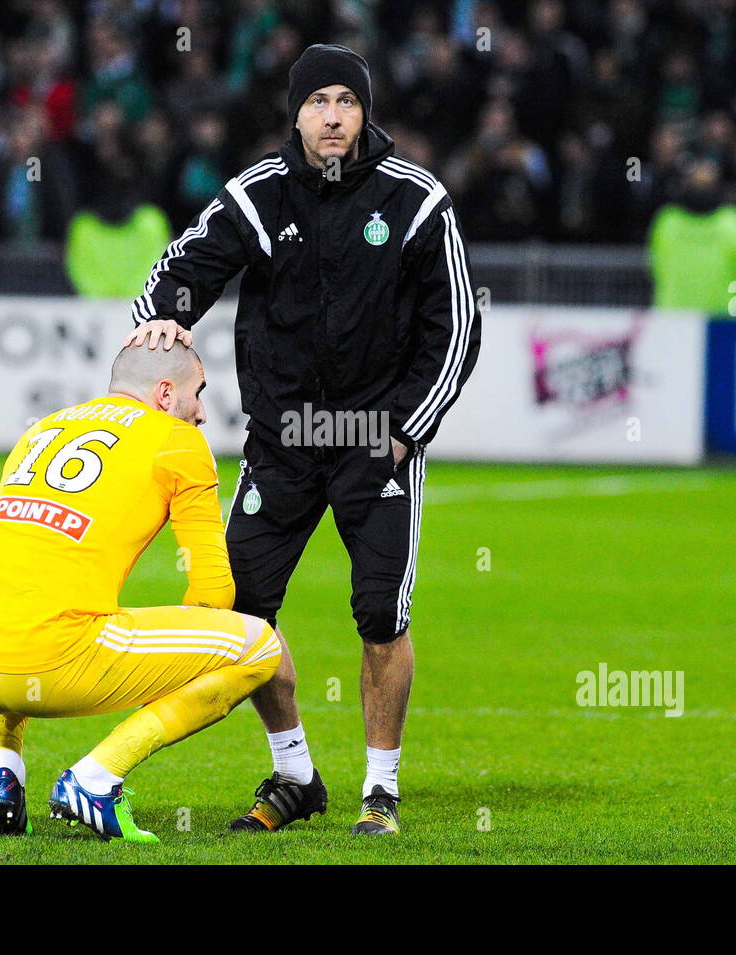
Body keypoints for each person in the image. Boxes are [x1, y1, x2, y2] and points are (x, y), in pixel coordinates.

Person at [126, 44, 481, 835]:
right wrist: (168, 315)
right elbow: (182, 270)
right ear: (295, 112)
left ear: (365, 113)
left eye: (346, 102)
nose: (332, 116)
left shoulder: (418, 200)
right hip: (281, 439)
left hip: (372, 440)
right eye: (317, 100)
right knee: (242, 616)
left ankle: (380, 790)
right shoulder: (258, 195)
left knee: (380, 614)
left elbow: (454, 329)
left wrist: (406, 432)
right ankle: (297, 774)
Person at [0, 342, 283, 843]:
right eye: (197, 393)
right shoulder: (177, 440)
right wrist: (189, 663)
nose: (203, 411)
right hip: (52, 659)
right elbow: (211, 589)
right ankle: (95, 780)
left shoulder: (43, 429)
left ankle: (3, 773)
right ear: (165, 393)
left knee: (15, 596)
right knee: (258, 645)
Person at [647, 158, 736, 315]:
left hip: (712, 317)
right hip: (682, 317)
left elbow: (655, 265)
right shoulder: (734, 220)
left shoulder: (667, 219)